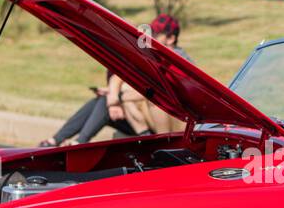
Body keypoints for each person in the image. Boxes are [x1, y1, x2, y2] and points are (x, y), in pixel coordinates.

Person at [40, 14, 187, 146]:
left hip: (165, 123)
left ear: (171, 38)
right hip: (142, 115)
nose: (151, 37)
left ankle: (73, 142)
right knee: (103, 100)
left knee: (105, 101)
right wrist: (113, 94)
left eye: (156, 34)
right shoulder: (156, 56)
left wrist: (119, 97)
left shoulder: (178, 61)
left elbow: (160, 93)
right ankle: (63, 141)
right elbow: (122, 76)